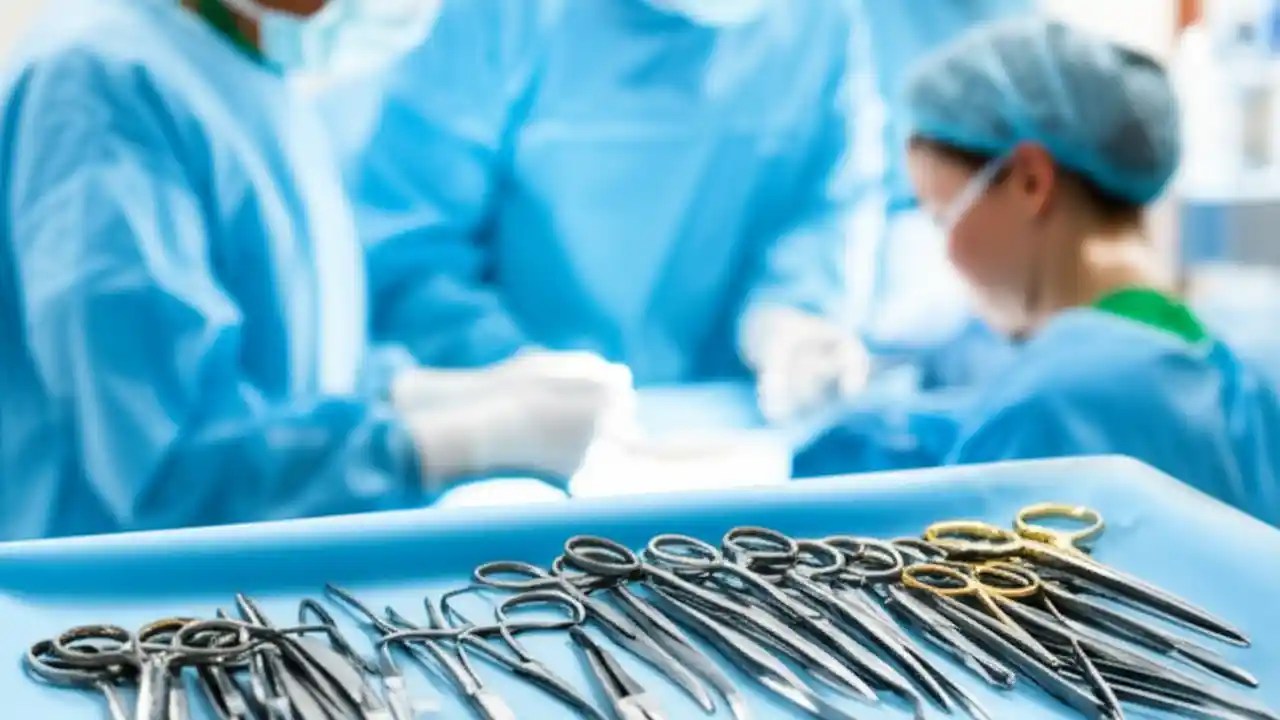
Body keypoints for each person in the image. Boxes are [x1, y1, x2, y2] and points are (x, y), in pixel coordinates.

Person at [0, 0, 626, 541]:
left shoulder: (251, 74)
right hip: (111, 624)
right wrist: (445, 443)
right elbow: (161, 469)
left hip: (233, 596)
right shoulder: (98, 87)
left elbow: (284, 363)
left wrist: (412, 390)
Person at [802, 19, 1280, 526]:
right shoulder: (1235, 369)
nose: (945, 253)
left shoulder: (1053, 407)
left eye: (942, 216)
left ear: (1031, 181)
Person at [329, 0, 873, 424]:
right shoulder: (499, 17)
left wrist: (794, 318)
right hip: (512, 444)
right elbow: (411, 246)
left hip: (734, 425)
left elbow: (824, 199)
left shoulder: (819, 19)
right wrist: (507, 370)